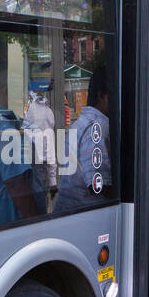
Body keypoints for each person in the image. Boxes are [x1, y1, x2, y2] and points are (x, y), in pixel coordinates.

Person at [54, 67, 112, 213]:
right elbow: (98, 185)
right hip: (84, 215)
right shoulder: (97, 126)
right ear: (101, 96)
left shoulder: (83, 122)